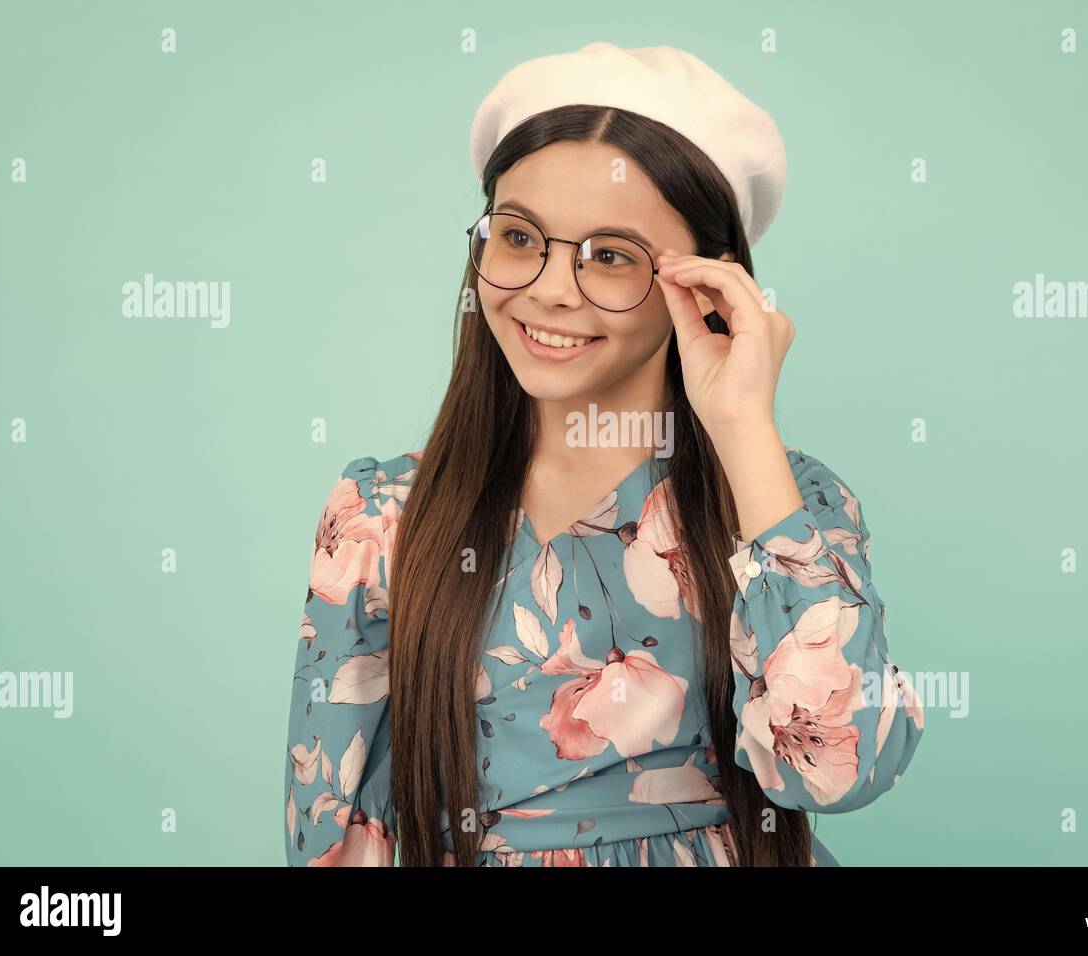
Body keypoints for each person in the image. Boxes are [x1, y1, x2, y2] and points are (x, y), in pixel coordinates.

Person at [284, 41, 926, 867]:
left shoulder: (782, 500)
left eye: (611, 256)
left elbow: (840, 769)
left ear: (705, 283)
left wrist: (742, 431)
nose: (550, 289)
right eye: (519, 238)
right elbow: (333, 833)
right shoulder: (382, 515)